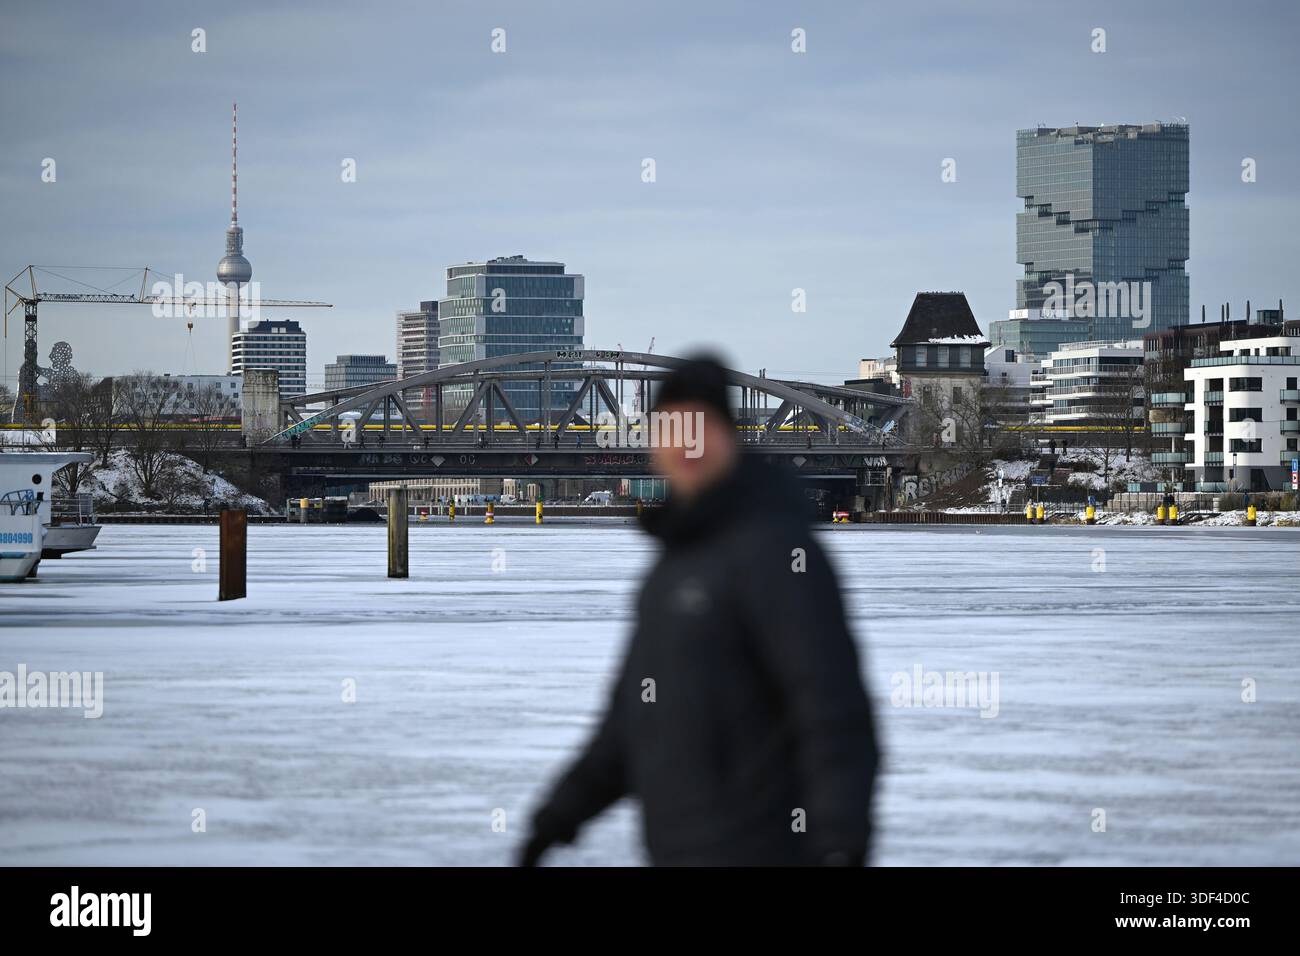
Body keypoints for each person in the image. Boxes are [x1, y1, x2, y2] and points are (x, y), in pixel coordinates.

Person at [518, 355, 879, 866]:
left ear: (730, 437)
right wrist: (557, 818)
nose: (685, 443)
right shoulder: (671, 567)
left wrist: (841, 843)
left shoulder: (776, 549)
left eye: (700, 427)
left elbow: (832, 707)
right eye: (671, 427)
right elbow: (630, 722)